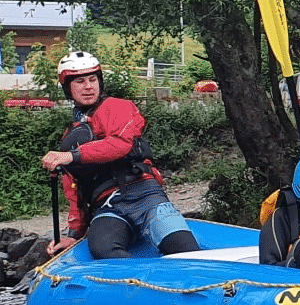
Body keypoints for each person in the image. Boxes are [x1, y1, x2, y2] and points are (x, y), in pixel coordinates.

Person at [40, 51, 200, 258]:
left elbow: (119, 145)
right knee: (103, 249)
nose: (88, 86)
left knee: (184, 248)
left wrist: (72, 156)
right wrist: (74, 234)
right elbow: (72, 188)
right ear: (68, 88)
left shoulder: (117, 107)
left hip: (145, 195)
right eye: (79, 81)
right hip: (107, 207)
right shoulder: (71, 136)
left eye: (92, 79)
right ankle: (136, 286)